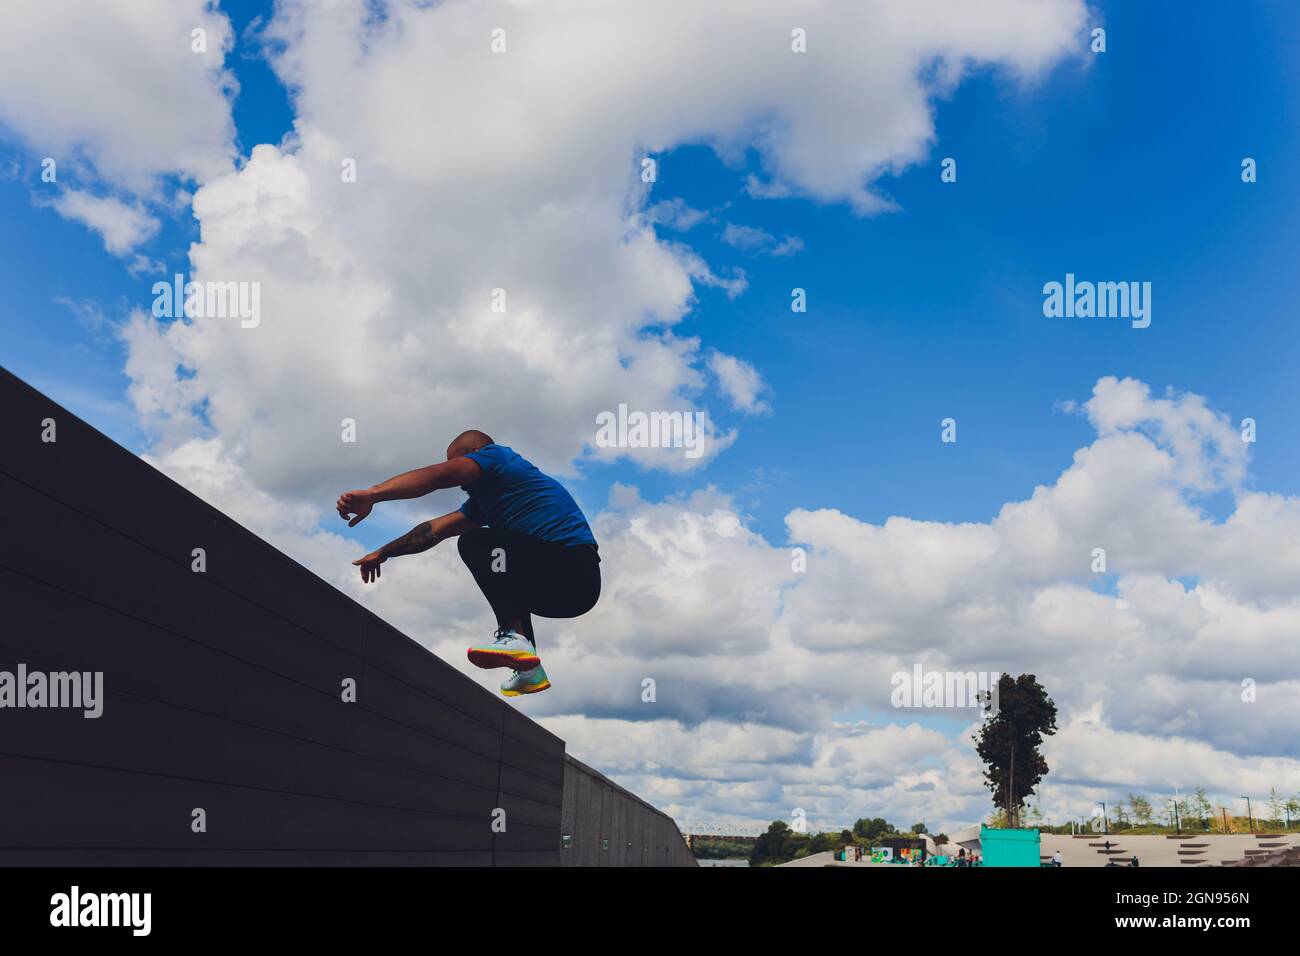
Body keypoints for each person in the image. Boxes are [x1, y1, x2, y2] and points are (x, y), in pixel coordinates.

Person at [337, 430, 600, 697]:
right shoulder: (483, 504)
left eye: (457, 462)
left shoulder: (499, 457)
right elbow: (434, 530)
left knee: (476, 543)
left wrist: (373, 494)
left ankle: (514, 637)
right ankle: (529, 670)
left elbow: (438, 476)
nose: (460, 481)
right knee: (501, 564)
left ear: (476, 453)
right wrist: (384, 552)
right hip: (566, 593)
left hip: (574, 568)